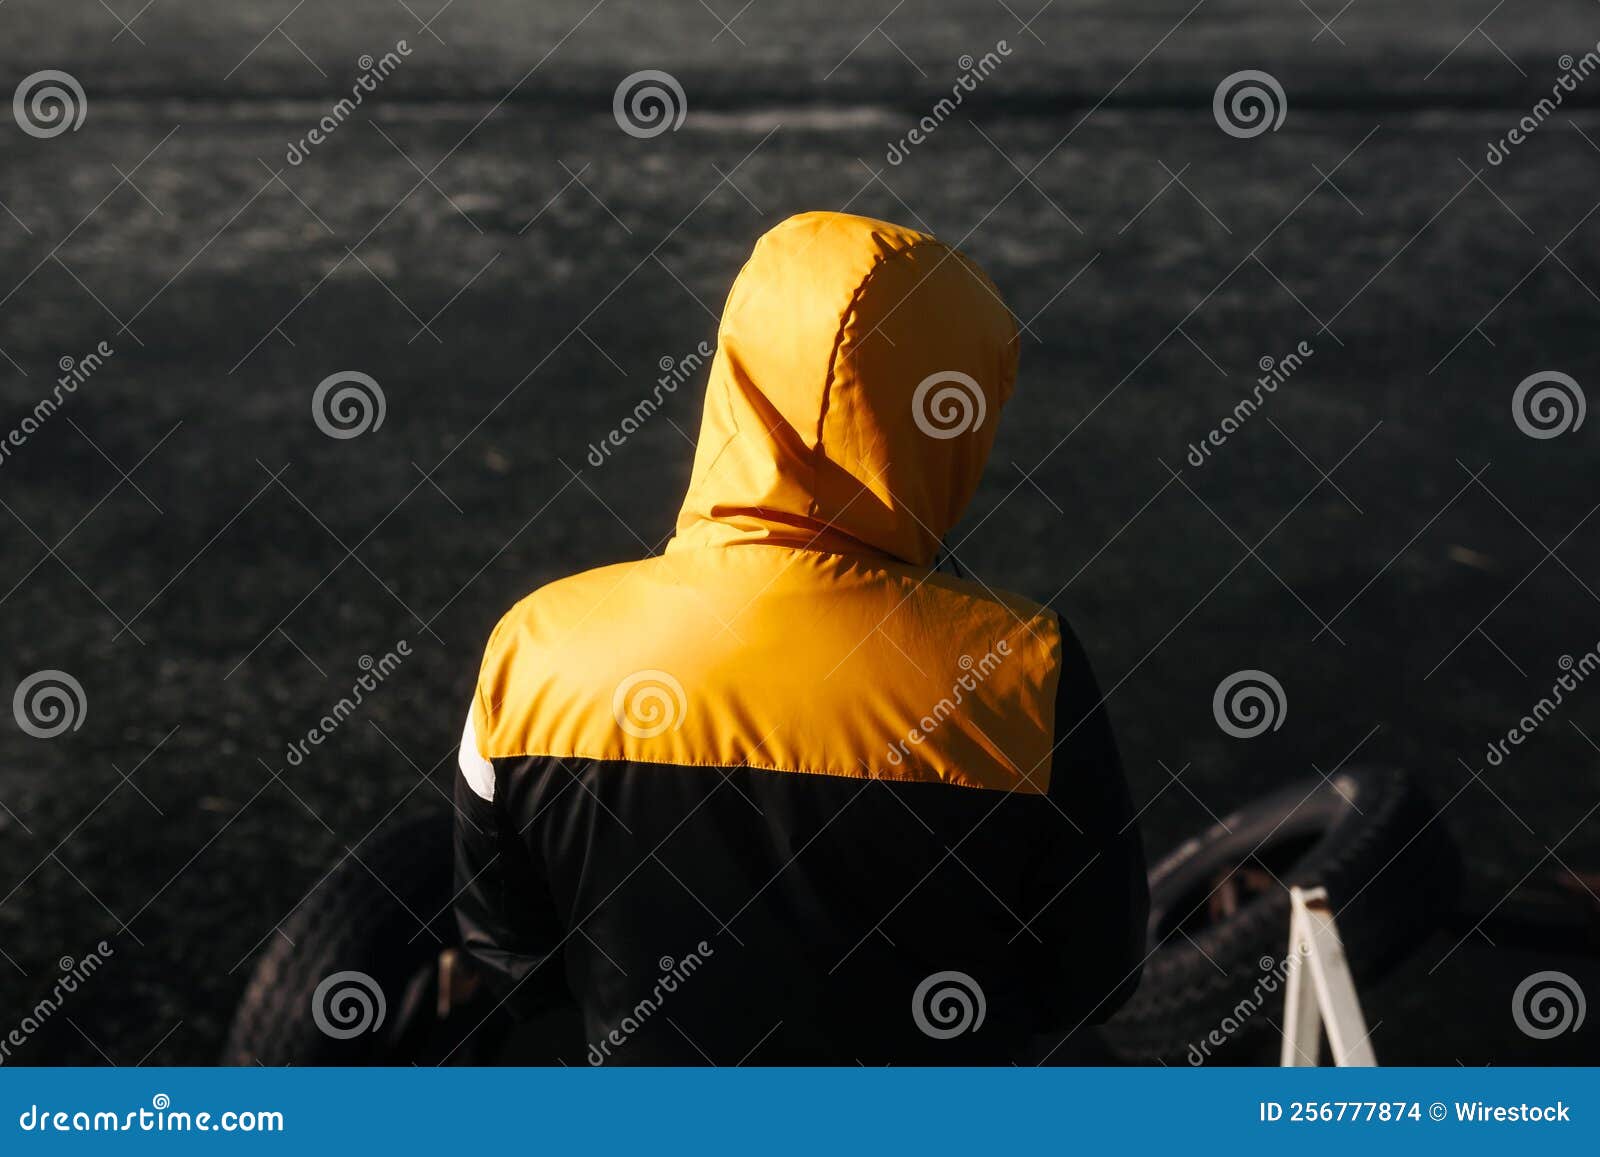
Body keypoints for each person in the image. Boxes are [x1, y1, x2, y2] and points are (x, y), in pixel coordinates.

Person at [454, 211, 1147, 1064]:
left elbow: (514, 960)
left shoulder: (535, 648)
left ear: (736, 372)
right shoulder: (1025, 670)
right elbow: (1094, 978)